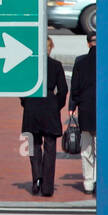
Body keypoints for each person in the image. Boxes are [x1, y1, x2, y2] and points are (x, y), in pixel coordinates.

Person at [20, 37, 69, 196]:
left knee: (33, 146)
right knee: (50, 147)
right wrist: (56, 105)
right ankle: (48, 186)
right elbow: (63, 90)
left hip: (32, 106)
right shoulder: (56, 66)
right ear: (50, 48)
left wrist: (26, 104)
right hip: (49, 106)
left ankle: (37, 179)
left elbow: (22, 89)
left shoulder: (29, 66)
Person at [70, 29, 97, 194]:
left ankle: (88, 181)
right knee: (101, 148)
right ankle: (99, 179)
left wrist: (72, 107)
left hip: (85, 110)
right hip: (103, 112)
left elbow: (75, 88)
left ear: (88, 43)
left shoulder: (80, 62)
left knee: (86, 148)